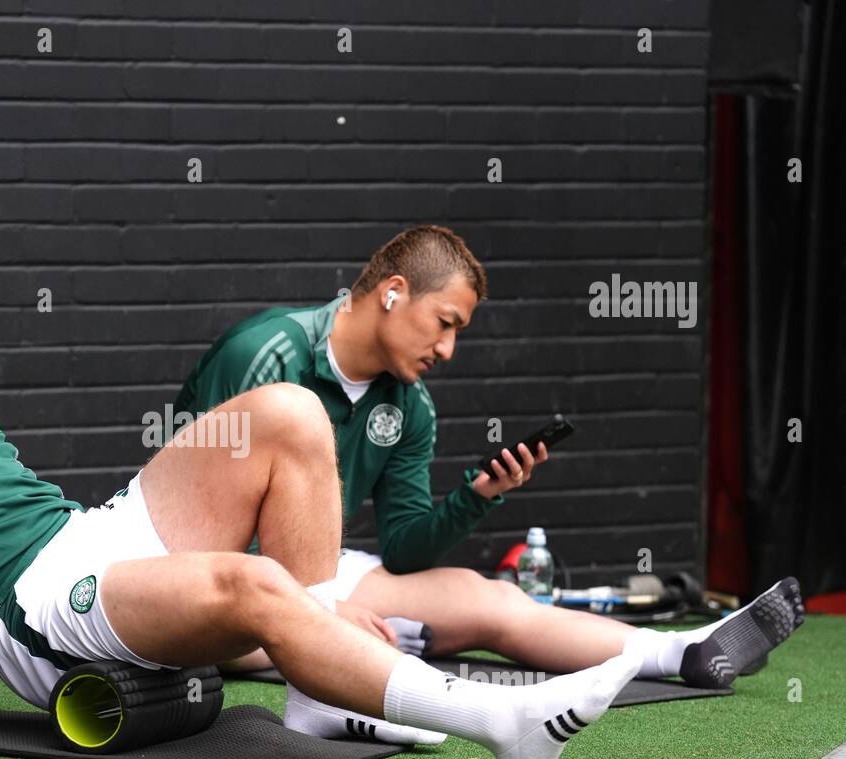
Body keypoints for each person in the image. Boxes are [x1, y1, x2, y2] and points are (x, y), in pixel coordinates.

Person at [0, 176, 803, 759]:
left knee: (284, 417)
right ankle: (495, 723)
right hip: (30, 616)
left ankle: (325, 692)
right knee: (260, 581)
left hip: (80, 536)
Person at [172, 225, 806, 701]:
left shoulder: (410, 405)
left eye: (458, 332)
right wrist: (319, 611)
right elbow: (209, 534)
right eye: (444, 323)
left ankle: (685, 651)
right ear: (393, 293)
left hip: (314, 568)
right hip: (210, 576)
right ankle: (322, 646)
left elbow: (403, 551)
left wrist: (474, 496)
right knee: (270, 630)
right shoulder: (266, 353)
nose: (447, 349)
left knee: (486, 599)